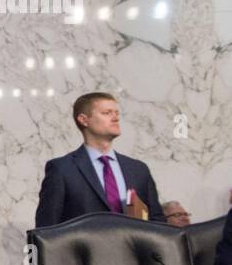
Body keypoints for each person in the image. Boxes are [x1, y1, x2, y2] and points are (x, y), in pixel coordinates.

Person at [34, 93, 166, 227]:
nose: (116, 118)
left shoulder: (138, 169)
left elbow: (158, 223)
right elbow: (46, 228)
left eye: (116, 113)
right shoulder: (62, 169)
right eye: (106, 113)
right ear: (84, 120)